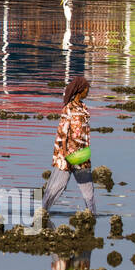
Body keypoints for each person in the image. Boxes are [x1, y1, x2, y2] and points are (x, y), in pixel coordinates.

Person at [42, 75, 96, 215]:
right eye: (87, 89)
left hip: (82, 155)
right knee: (57, 187)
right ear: (80, 90)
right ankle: (42, 212)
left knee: (88, 190)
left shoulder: (84, 108)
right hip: (67, 156)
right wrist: (66, 155)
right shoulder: (68, 109)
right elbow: (62, 132)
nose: (88, 92)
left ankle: (91, 215)